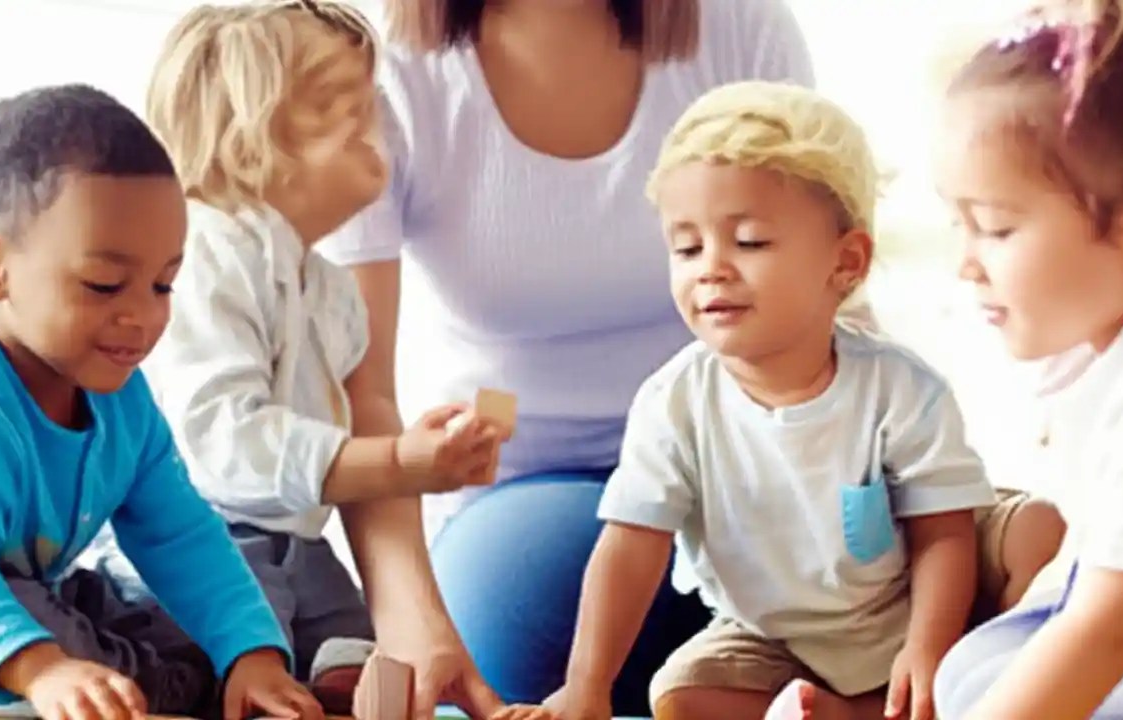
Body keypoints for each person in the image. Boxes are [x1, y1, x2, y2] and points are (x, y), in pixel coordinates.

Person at [318, 0, 828, 713]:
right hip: (521, 488)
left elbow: (820, 291)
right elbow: (363, 393)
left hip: (739, 469)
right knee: (531, 588)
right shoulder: (384, 73)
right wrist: (411, 619)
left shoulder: (743, 29)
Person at [495, 80, 1039, 720]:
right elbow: (630, 546)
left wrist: (929, 647)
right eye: (687, 247)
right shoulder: (673, 404)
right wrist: (586, 686)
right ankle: (850, 710)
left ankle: (986, 683)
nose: (711, 268)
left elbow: (941, 532)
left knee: (1039, 531)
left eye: (748, 241)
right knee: (679, 698)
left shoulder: (899, 389)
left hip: (922, 600)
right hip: (778, 637)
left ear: (846, 263)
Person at [105, 2, 508, 711]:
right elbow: (223, 442)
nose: (374, 127)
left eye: (370, 105)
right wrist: (401, 461)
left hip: (296, 543)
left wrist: (427, 443)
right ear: (248, 142)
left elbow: (358, 417)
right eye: (341, 109)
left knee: (359, 649)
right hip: (207, 536)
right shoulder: (206, 250)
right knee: (226, 659)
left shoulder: (327, 287)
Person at [0, 84, 324, 720]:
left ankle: (214, 676)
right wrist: (43, 669)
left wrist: (251, 654)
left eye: (163, 284)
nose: (144, 316)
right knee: (32, 610)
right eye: (104, 285)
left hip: (43, 604)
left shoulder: (123, 404)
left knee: (176, 612)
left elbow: (181, 533)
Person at [931, 0, 1123, 717]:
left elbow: (1109, 629)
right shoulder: (1116, 322)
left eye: (996, 228)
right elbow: (1090, 566)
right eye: (960, 224)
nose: (965, 265)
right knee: (968, 672)